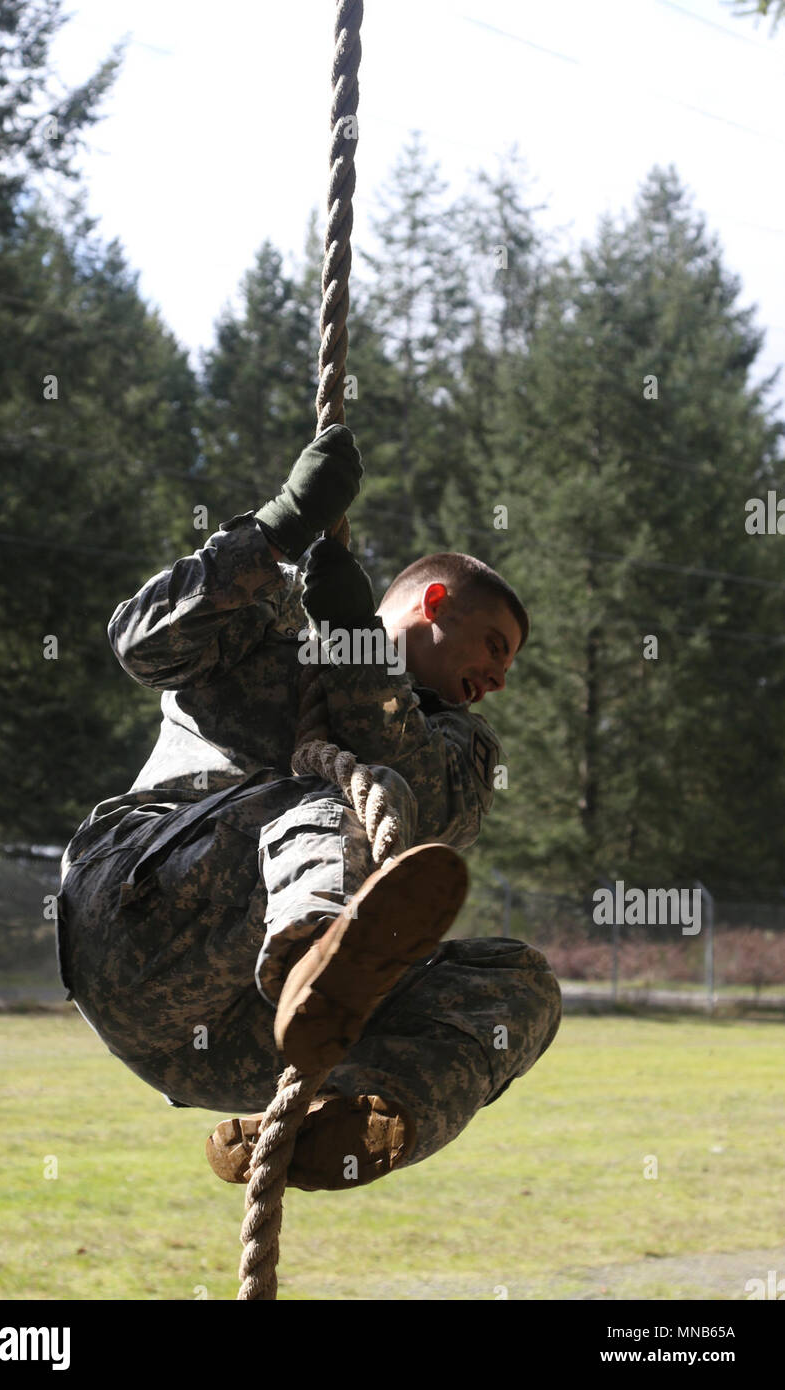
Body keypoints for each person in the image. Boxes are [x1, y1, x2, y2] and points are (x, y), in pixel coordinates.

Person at [56, 425, 561, 1192]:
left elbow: (418, 806)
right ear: (434, 604)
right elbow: (138, 643)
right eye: (492, 645)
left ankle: (345, 1125)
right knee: (335, 791)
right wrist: (276, 529)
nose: (497, 678)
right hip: (139, 925)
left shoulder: (465, 748)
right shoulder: (269, 619)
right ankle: (311, 950)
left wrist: (357, 646)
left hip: (235, 1044)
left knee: (523, 987)